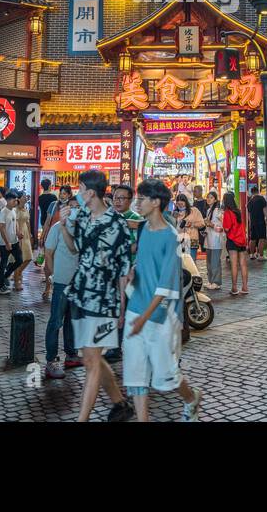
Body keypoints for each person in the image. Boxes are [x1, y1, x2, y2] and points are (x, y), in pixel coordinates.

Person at [124, 179, 203, 421]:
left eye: (141, 199)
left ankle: (191, 398)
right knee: (136, 374)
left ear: (156, 202)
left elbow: (165, 286)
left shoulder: (171, 237)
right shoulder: (143, 229)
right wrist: (133, 272)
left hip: (161, 315)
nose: (137, 203)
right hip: (136, 307)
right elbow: (144, 263)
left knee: (166, 375)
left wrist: (144, 318)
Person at [62, 169, 134, 422]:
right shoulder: (82, 217)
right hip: (80, 294)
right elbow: (74, 249)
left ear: (91, 193)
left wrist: (121, 308)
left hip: (104, 300)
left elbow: (124, 269)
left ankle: (82, 419)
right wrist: (64, 226)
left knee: (91, 361)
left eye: (81, 189)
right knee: (90, 357)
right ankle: (120, 404)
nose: (78, 193)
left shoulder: (118, 224)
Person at [42, 192, 80, 379]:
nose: (74, 210)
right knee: (56, 321)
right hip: (61, 281)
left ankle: (71, 355)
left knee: (72, 320)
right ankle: (51, 360)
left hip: (78, 283)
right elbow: (48, 253)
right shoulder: (57, 228)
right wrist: (52, 275)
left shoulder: (83, 228)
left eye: (78, 207)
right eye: (71, 207)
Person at [0, 190, 23, 294]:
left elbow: (15, 223)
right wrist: (7, 242)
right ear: (8, 200)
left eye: (16, 200)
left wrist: (18, 233)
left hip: (14, 241)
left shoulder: (13, 210)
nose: (16, 202)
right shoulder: (3, 212)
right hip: (5, 243)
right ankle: (1, 286)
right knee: (3, 263)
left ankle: (6, 276)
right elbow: (1, 228)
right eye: (14, 200)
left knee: (19, 260)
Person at [221, 192, 248, 295]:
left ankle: (234, 287)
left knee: (234, 264)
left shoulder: (227, 213)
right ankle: (245, 287)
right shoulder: (238, 211)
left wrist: (222, 225)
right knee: (243, 264)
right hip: (241, 240)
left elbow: (227, 228)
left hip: (232, 240)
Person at [12, 192, 33, 291]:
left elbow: (28, 223)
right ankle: (17, 281)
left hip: (26, 235)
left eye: (26, 196)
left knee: (28, 258)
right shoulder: (15, 210)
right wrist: (17, 234)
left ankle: (18, 273)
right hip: (18, 234)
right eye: (24, 197)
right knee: (19, 259)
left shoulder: (26, 209)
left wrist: (30, 234)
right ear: (19, 199)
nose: (26, 198)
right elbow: (14, 223)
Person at [203, 193, 224, 291]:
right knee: (209, 262)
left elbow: (222, 227)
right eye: (208, 197)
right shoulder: (208, 211)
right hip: (209, 239)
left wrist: (211, 225)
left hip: (216, 240)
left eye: (211, 198)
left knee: (215, 262)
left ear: (215, 200)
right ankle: (211, 281)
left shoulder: (218, 211)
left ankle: (216, 282)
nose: (208, 199)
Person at [247, 185, 267, 261]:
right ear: (258, 191)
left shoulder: (250, 202)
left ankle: (252, 255)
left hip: (253, 222)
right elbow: (265, 210)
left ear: (251, 192)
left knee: (253, 239)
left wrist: (250, 224)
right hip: (261, 221)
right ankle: (260, 255)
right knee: (261, 239)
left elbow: (249, 215)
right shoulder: (262, 199)